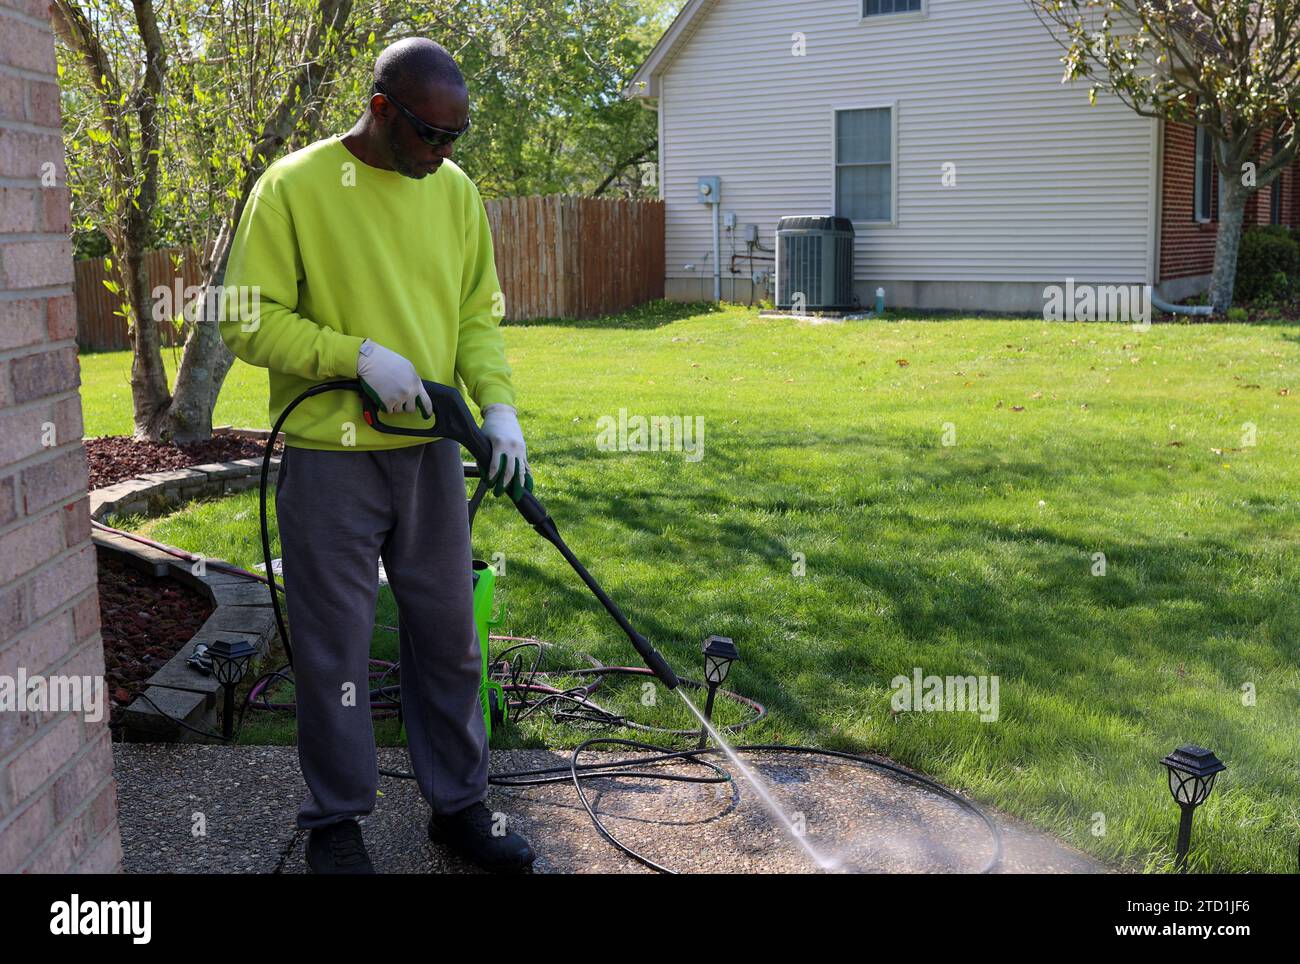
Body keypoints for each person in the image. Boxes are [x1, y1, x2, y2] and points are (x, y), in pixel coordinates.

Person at [220, 37, 535, 874]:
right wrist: (354, 354)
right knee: (334, 646)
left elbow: (476, 315)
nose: (443, 155)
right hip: (330, 457)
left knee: (449, 639)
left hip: (431, 454)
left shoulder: (456, 192)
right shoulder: (294, 185)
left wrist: (498, 407)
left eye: (456, 139)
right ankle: (335, 820)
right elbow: (245, 319)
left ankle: (460, 807)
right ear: (382, 110)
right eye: (431, 135)